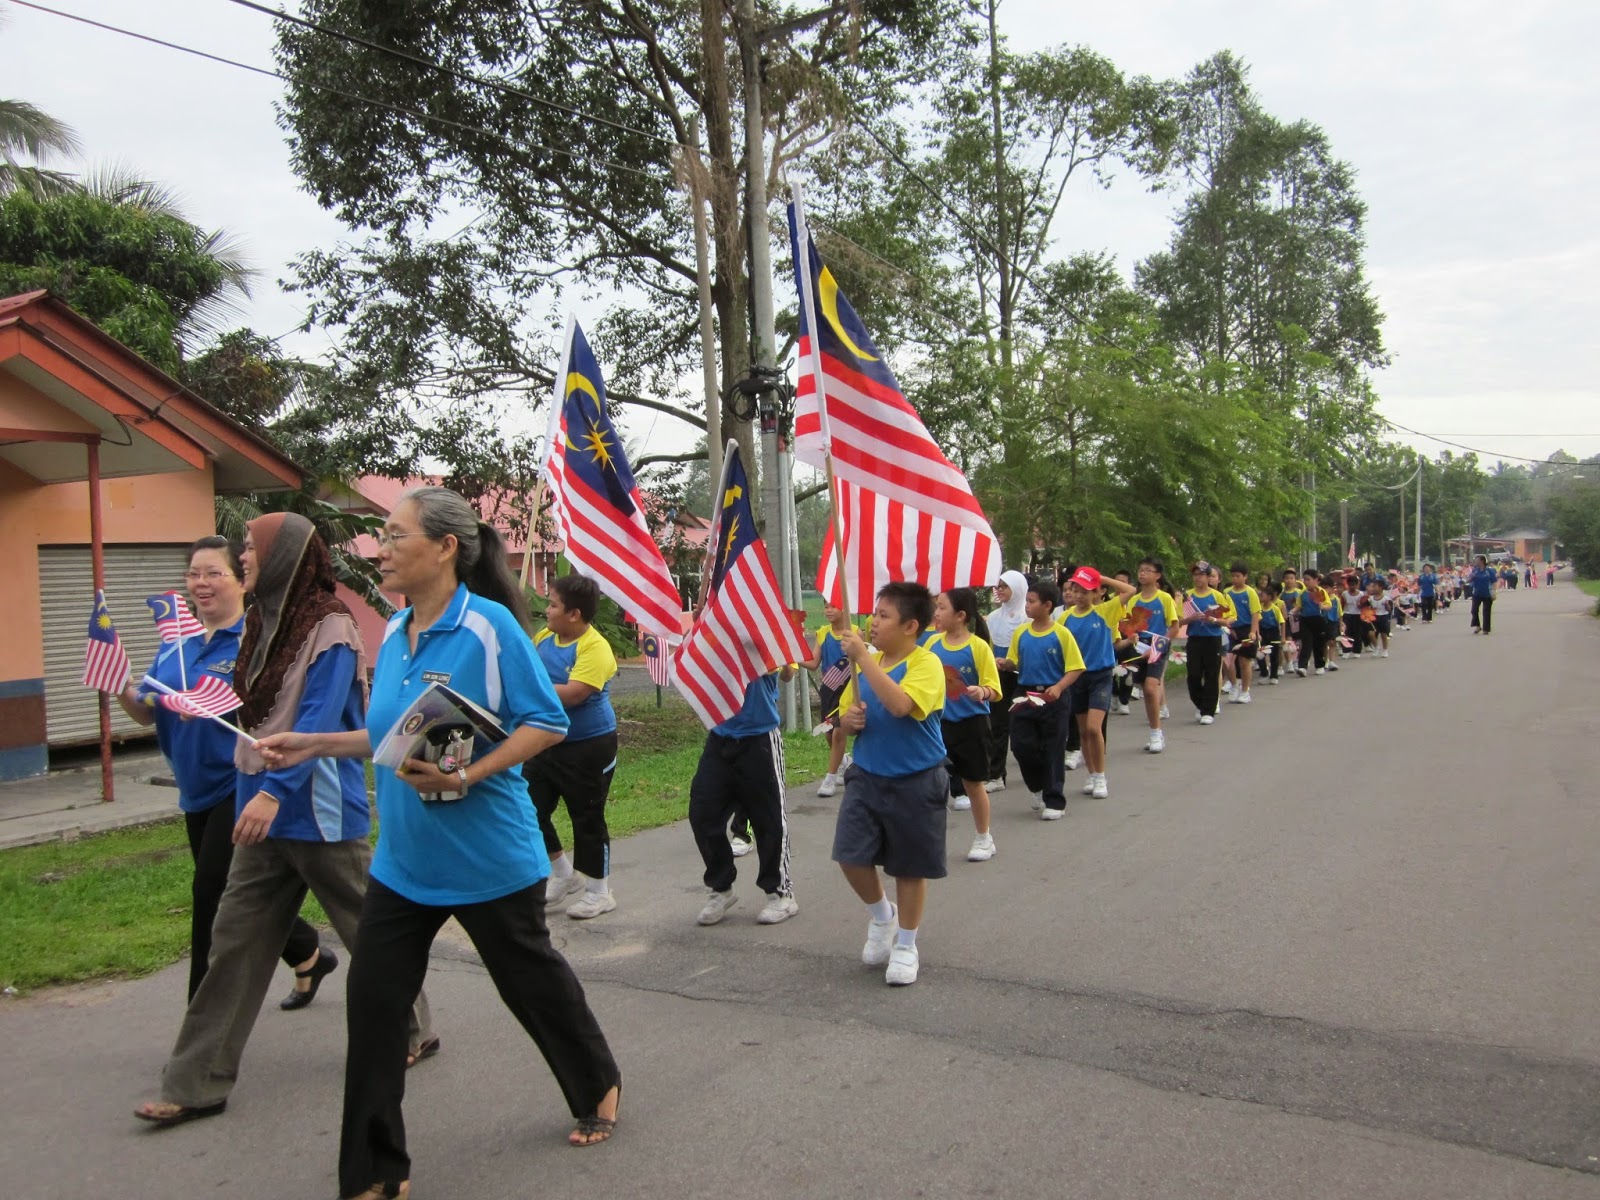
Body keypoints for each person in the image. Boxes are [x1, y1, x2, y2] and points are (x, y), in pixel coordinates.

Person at [257, 487, 621, 1200]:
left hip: (488, 859)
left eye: (395, 536)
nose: (381, 549)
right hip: (404, 861)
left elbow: (545, 721)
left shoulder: (488, 629)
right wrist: (314, 743)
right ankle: (375, 1173)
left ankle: (597, 1080)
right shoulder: (394, 631)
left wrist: (467, 771)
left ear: (446, 547)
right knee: (374, 1008)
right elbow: (392, 736)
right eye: (382, 538)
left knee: (532, 987)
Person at [134, 513, 433, 1130]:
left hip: (316, 810)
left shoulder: (331, 624)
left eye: (250, 548)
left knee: (366, 931)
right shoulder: (262, 621)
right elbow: (249, 711)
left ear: (284, 557)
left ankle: (414, 1027)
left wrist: (273, 793)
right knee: (233, 943)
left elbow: (321, 719)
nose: (243, 556)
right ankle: (196, 1081)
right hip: (259, 807)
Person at [115, 537, 329, 1009]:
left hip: (239, 782)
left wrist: (216, 707)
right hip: (193, 789)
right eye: (194, 574)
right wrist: (118, 688)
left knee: (211, 899)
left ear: (240, 580)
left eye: (213, 572)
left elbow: (273, 711)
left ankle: (200, 1030)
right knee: (233, 893)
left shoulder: (257, 641)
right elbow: (148, 714)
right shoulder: (176, 646)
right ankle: (308, 951)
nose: (201, 583)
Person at [832, 582, 949, 986]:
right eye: (874, 613)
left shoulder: (926, 664)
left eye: (883, 616)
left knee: (908, 867)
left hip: (916, 778)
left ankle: (906, 944)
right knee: (850, 854)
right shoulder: (868, 663)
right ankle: (884, 918)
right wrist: (848, 722)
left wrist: (864, 658)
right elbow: (845, 717)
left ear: (911, 625)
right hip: (867, 775)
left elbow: (901, 706)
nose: (873, 622)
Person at [528, 574, 620, 920]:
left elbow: (575, 692)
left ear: (574, 614)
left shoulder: (595, 647)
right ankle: (563, 874)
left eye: (553, 604)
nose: (547, 611)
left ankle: (600, 891)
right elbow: (528, 672)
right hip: (546, 741)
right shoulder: (543, 639)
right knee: (528, 807)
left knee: (587, 815)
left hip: (589, 746)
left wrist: (526, 688)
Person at [689, 666, 802, 926]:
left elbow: (787, 673)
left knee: (769, 821)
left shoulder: (763, 630)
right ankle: (721, 888)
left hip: (760, 738)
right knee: (703, 814)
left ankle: (780, 893)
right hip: (720, 737)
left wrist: (770, 661)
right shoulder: (711, 631)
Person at [922, 588, 1002, 861]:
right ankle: (929, 840)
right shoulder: (932, 645)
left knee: (973, 783)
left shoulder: (978, 647)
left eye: (941, 608)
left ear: (960, 616)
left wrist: (982, 691)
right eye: (936, 607)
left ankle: (983, 837)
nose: (936, 613)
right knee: (932, 783)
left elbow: (994, 687)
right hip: (938, 725)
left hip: (972, 725)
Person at [996, 580, 1085, 819]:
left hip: (1053, 696)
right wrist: (1005, 663)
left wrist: (1058, 687)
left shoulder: (1061, 634)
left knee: (1054, 747)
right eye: (1026, 601)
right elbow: (1015, 661)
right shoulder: (1021, 633)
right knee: (1021, 745)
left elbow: (1076, 668)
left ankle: (1054, 800)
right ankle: (1036, 785)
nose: (1027, 606)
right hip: (1024, 693)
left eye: (1032, 602)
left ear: (1047, 605)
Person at [1058, 566, 1136, 798]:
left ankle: (1100, 777)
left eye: (1086, 591)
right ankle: (1091, 775)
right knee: (1083, 731)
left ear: (1096, 593)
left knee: (1094, 727)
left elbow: (1130, 589)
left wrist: (1100, 578)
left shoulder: (1105, 611)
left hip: (1100, 676)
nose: (1080, 595)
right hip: (1077, 678)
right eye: (1076, 590)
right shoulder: (1065, 618)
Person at [1125, 558, 1180, 750]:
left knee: (1150, 688)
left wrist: (1157, 647)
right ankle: (1154, 729)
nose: (1142, 574)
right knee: (1145, 691)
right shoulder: (1133, 600)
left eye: (1148, 570)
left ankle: (1156, 734)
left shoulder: (1164, 598)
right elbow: (1129, 625)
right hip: (1139, 650)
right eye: (1140, 570)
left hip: (1158, 647)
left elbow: (1174, 627)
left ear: (1157, 575)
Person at [982, 570, 1028, 791]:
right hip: (999, 675)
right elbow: (989, 647)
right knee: (997, 726)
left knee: (1022, 728)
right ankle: (996, 774)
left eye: (1005, 586)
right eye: (998, 586)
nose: (999, 590)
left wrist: (1013, 663)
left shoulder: (1027, 618)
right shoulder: (993, 617)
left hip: (1023, 677)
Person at [805, 602, 854, 798]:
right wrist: (790, 656)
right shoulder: (823, 633)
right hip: (829, 691)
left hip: (848, 690)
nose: (828, 610)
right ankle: (844, 762)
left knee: (838, 733)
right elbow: (813, 662)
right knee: (828, 732)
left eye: (834, 606)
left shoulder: (855, 632)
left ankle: (830, 778)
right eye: (825, 606)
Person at [1177, 561, 1234, 723]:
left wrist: (1213, 619)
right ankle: (1200, 704)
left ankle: (1208, 711)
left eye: (1201, 575)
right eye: (1195, 575)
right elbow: (1178, 622)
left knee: (1212, 673)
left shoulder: (1217, 596)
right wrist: (1191, 618)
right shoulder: (1187, 596)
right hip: (1195, 639)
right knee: (1194, 674)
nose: (1198, 578)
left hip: (1213, 638)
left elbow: (1228, 620)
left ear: (1209, 577)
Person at [1223, 564, 1262, 704]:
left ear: (1245, 577)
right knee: (1227, 659)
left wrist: (1253, 631)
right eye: (1233, 576)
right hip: (1231, 628)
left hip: (1246, 629)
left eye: (1238, 576)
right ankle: (1234, 685)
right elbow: (1225, 612)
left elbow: (1255, 614)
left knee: (1244, 661)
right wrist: (1229, 626)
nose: (1235, 579)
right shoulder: (1227, 592)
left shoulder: (1250, 592)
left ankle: (1245, 691)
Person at [1294, 570, 1329, 677]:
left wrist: (1322, 606)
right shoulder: (1302, 593)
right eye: (1305, 579)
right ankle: (1302, 667)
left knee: (1318, 644)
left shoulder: (1321, 591)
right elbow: (1299, 606)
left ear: (1316, 580)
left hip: (1319, 619)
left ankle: (1319, 666)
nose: (1306, 582)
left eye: (1308, 579)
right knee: (1306, 643)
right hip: (1305, 620)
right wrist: (1294, 611)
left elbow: (1328, 605)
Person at [1469, 554, 1497, 634]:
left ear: (1482, 561)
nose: (1475, 561)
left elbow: (1494, 581)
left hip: (1487, 594)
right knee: (1474, 610)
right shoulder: (1475, 570)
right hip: (1476, 593)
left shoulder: (1489, 571)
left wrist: (1494, 592)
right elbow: (1468, 580)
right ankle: (1477, 626)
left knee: (1486, 611)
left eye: (1476, 560)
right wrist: (1471, 577)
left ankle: (1486, 629)